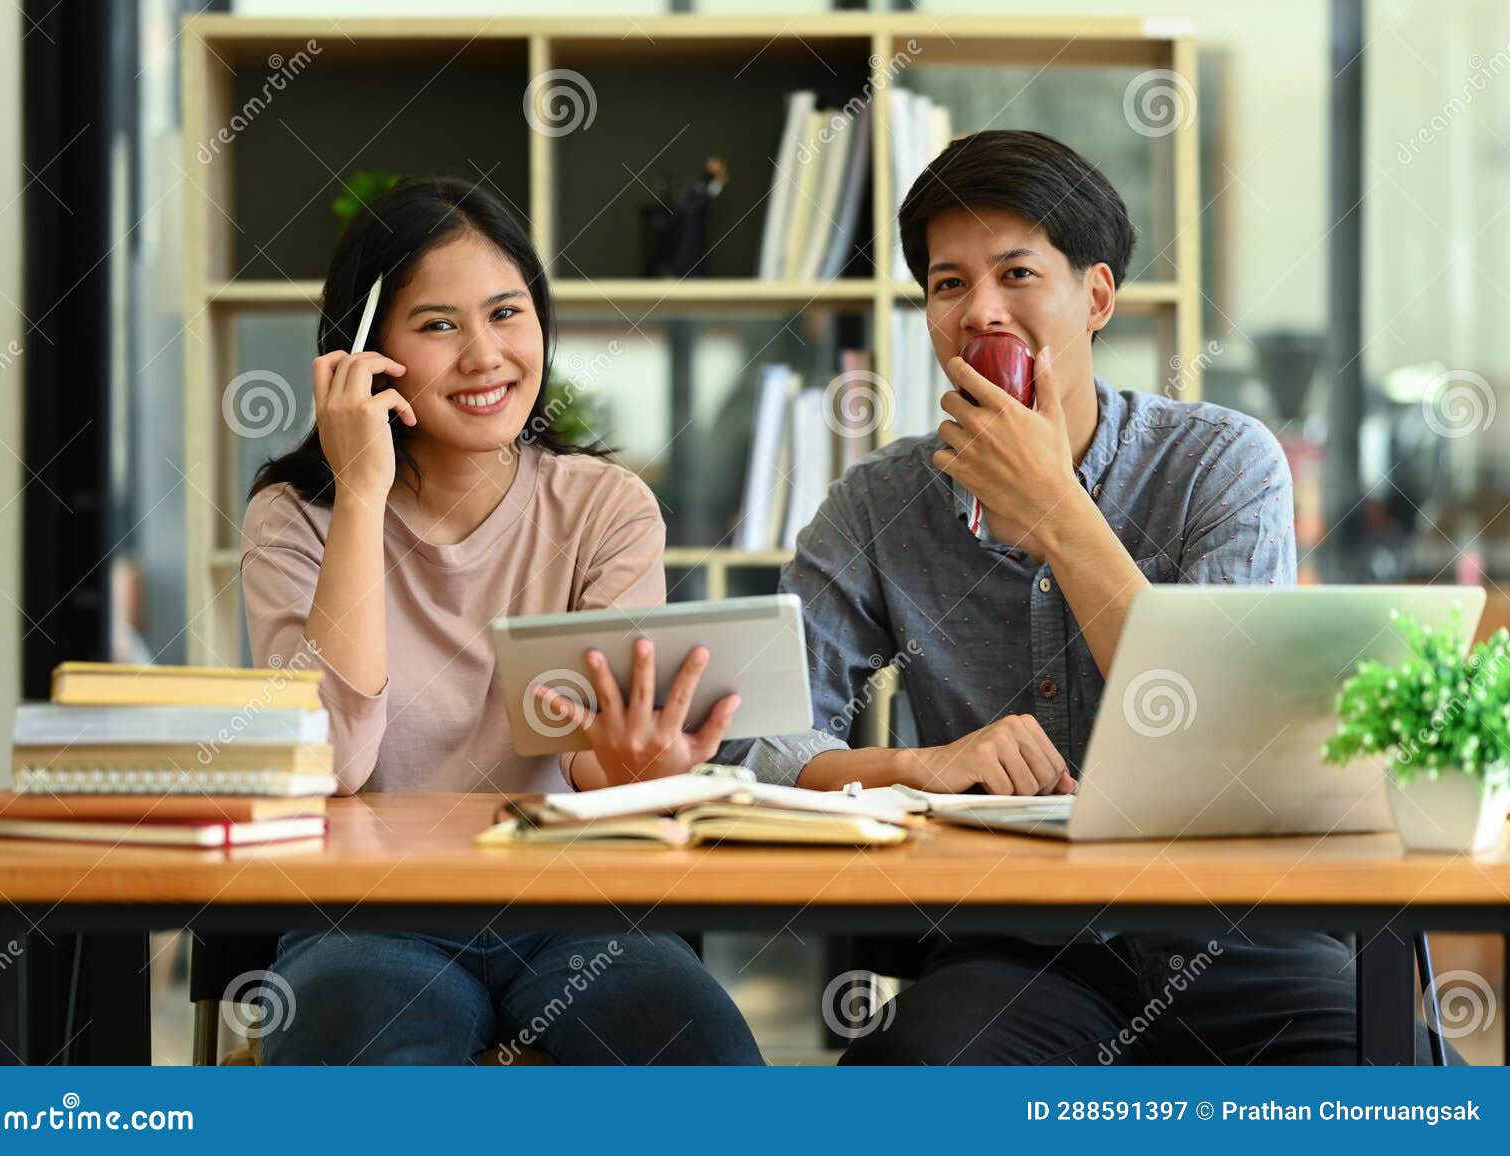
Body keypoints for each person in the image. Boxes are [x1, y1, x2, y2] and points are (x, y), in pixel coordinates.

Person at [720, 130, 1456, 1065]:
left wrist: (1058, 512)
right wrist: (918, 768)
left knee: (1403, 1089)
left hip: (1238, 938)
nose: (982, 311)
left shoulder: (1221, 466)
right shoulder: (880, 502)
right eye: (949, 285)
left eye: (1017, 273)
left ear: (1096, 296)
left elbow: (1224, 731)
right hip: (1017, 952)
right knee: (914, 1081)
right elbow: (758, 732)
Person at [242, 176, 761, 1066]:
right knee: (365, 1054)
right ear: (364, 351)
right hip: (366, 917)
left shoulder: (606, 508)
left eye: (507, 313)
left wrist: (639, 767)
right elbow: (329, 765)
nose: (486, 355)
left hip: (578, 913)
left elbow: (597, 762)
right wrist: (361, 493)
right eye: (439, 324)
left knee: (699, 1053)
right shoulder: (296, 517)